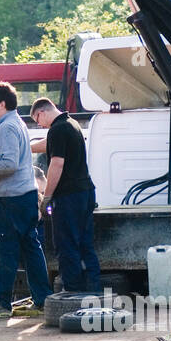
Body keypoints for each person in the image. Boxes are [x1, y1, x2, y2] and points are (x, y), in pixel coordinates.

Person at [0, 82, 53, 318]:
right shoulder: (13, 122)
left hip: (12, 200)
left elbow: (9, 163)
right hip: (26, 197)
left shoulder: (6, 129)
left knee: (6, 250)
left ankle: (1, 303)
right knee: (31, 249)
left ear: (2, 104)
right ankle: (42, 299)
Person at [31, 97, 101, 293]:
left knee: (66, 244)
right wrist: (26, 147)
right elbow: (49, 144)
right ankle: (94, 291)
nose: (38, 124)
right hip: (85, 192)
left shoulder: (57, 129)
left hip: (69, 196)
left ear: (41, 112)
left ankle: (72, 292)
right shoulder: (71, 124)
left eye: (37, 119)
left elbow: (57, 163)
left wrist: (46, 197)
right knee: (85, 243)